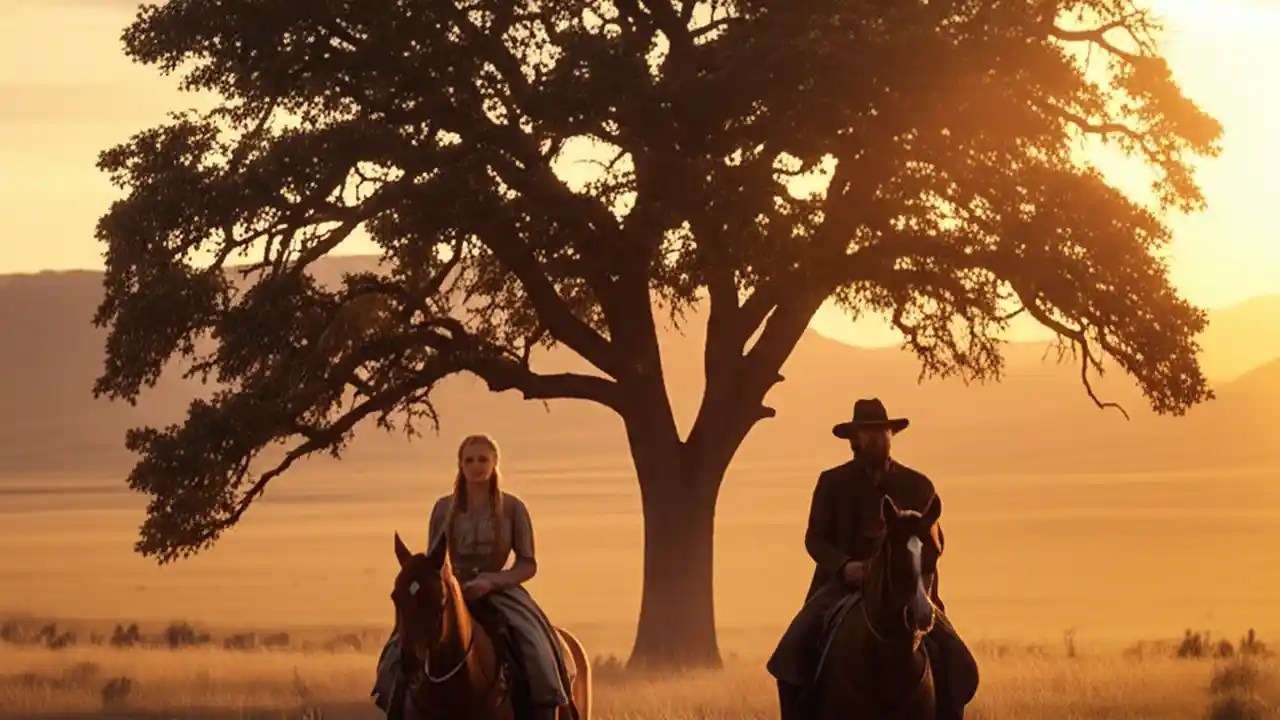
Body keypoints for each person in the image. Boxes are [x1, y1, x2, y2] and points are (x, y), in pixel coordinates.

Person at [766, 398, 979, 720]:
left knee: (958, 662)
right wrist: (844, 566)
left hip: (910, 588)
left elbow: (936, 541)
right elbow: (815, 539)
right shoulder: (832, 482)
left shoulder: (918, 485)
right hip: (841, 587)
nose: (878, 437)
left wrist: (920, 573)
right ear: (854, 439)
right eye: (869, 432)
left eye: (883, 431)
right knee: (790, 656)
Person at [426, 433, 573, 720]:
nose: (476, 465)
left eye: (483, 459)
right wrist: (450, 585)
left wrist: (491, 581)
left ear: (495, 463)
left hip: (499, 589)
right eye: (469, 460)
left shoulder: (513, 508)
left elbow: (527, 564)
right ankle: (392, 695)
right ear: (460, 465)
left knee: (533, 641)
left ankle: (548, 700)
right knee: (405, 641)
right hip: (453, 588)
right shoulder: (443, 508)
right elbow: (433, 560)